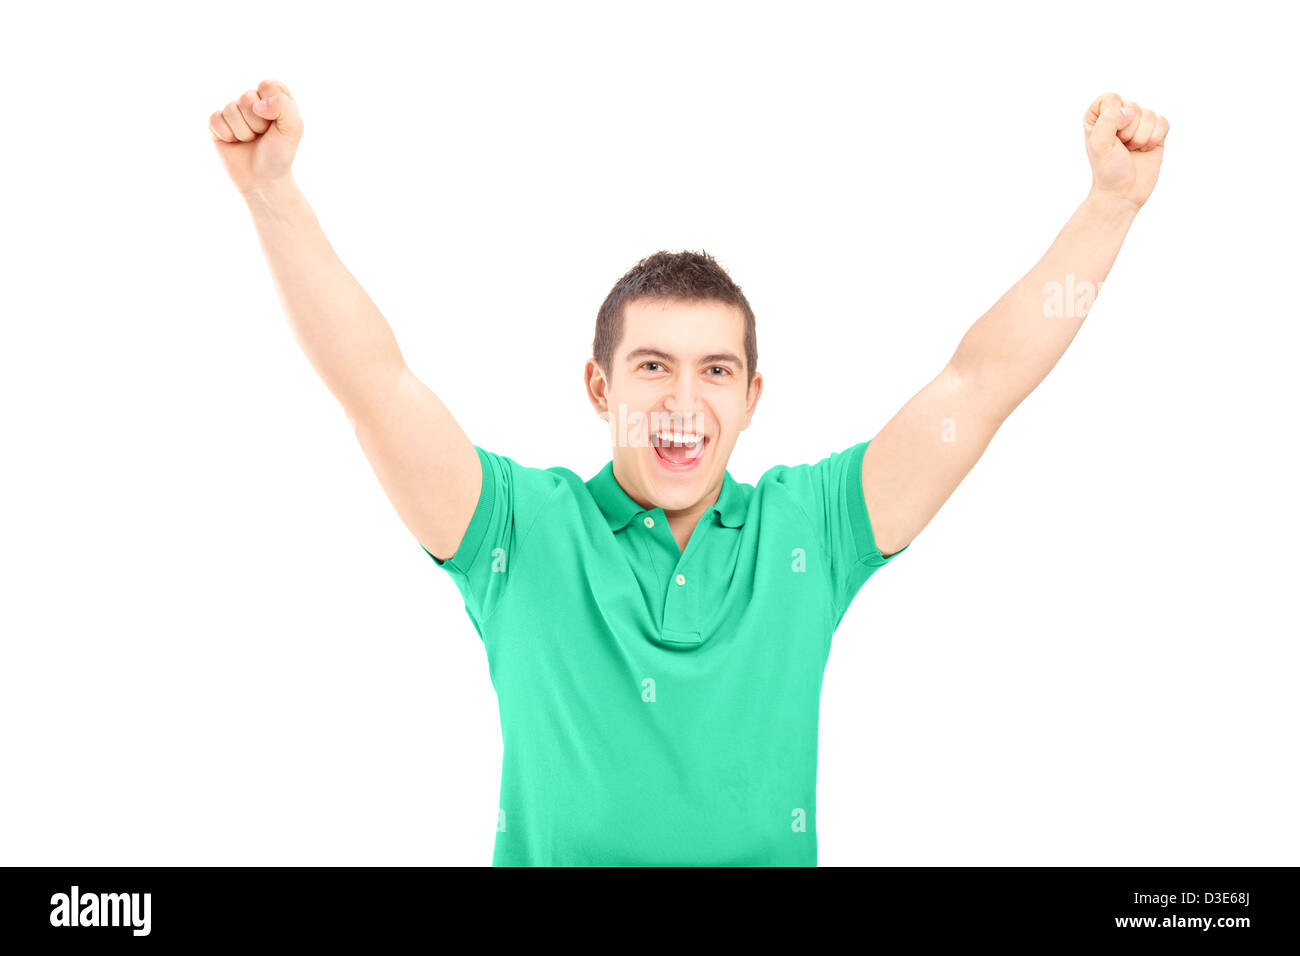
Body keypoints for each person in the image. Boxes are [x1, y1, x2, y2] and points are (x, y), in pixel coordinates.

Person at [210, 80, 1169, 866]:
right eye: (652, 366)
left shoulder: (813, 531)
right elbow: (373, 383)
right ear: (599, 386)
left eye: (715, 371)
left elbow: (983, 381)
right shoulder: (517, 532)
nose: (683, 400)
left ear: (753, 397)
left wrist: (1111, 204)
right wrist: (272, 193)